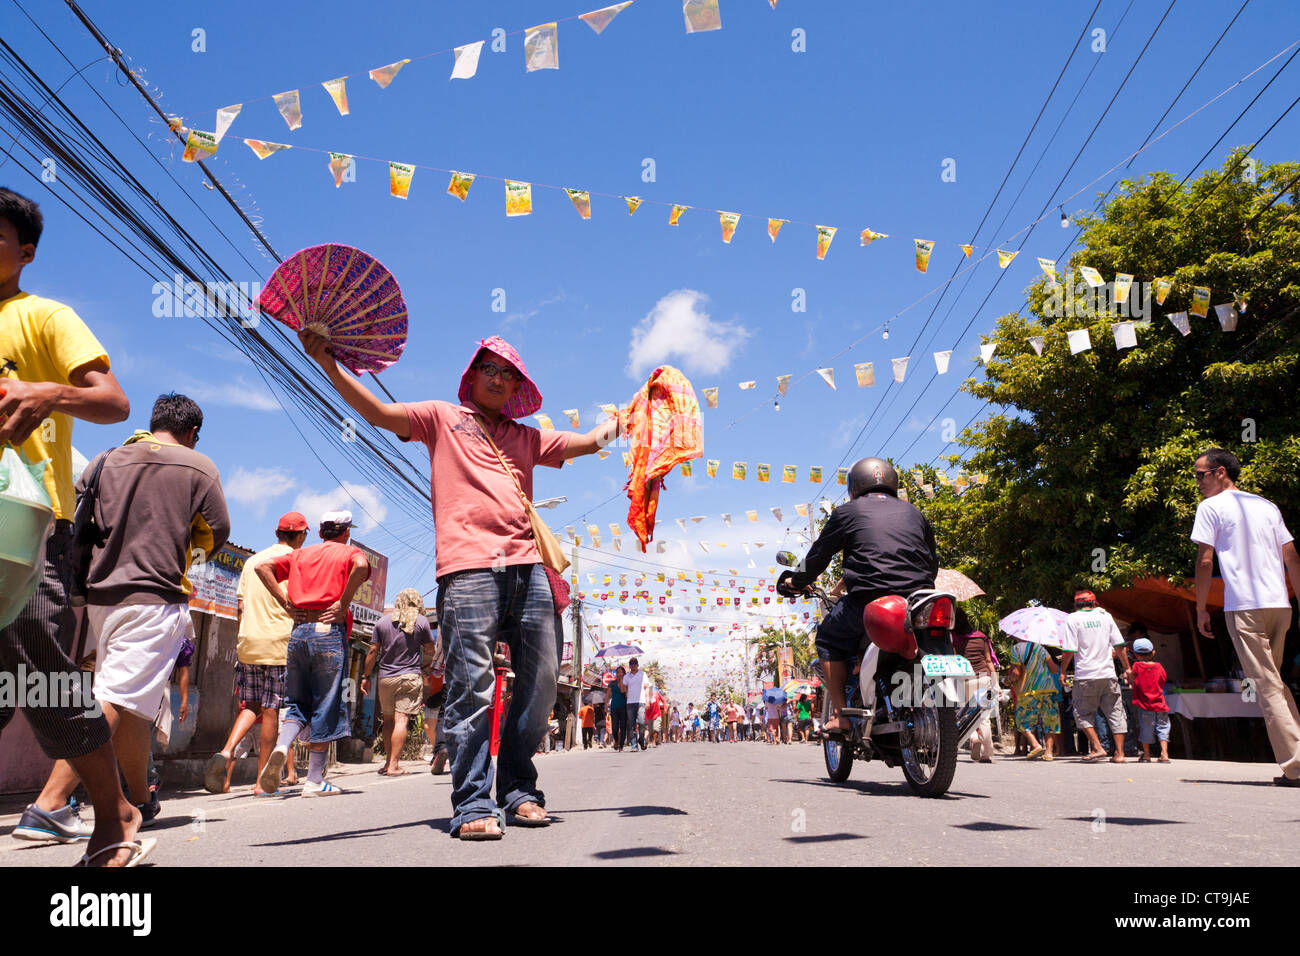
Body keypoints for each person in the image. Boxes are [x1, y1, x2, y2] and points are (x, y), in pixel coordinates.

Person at [301, 331, 619, 838]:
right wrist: (329, 364)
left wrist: (624, 422)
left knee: (540, 685)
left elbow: (585, 443)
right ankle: (472, 803)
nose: (498, 377)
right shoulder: (441, 418)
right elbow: (380, 415)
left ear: (517, 385)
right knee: (472, 689)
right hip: (467, 571)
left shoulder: (527, 436)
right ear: (472, 376)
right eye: (489, 368)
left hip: (529, 568)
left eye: (508, 372)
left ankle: (518, 791)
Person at [0, 190, 148, 866]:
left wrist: (44, 392)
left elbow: (113, 401)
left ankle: (113, 812)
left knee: (44, 675)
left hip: (25, 525)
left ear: (24, 253)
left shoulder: (43, 317)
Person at [30, 393, 229, 835]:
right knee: (116, 697)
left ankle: (139, 799)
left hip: (100, 596)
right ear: (192, 432)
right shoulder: (199, 467)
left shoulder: (105, 459)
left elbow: (75, 508)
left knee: (133, 706)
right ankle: (51, 802)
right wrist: (186, 556)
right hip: (154, 596)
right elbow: (217, 530)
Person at [778, 458, 937, 736]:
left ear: (854, 486)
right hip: (919, 600)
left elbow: (817, 557)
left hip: (869, 599)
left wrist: (796, 579)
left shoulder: (846, 513)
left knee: (828, 638)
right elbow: (932, 563)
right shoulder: (914, 512)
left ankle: (840, 715)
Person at [1191, 448, 1300, 786]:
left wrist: (1200, 607)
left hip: (1245, 607)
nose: (1197, 483)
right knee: (1275, 683)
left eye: (1200, 475)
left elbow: (1205, 561)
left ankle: (1296, 766)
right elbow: (1292, 557)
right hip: (1280, 606)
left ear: (1220, 472)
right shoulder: (1266, 505)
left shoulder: (1211, 507)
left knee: (1266, 686)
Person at [255, 510, 371, 797]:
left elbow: (262, 567)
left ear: (320, 533)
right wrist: (343, 602)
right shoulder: (348, 552)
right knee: (326, 704)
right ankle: (315, 780)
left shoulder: (300, 555)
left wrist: (286, 603)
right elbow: (360, 564)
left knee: (297, 702)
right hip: (328, 632)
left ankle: (282, 746)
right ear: (345, 532)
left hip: (299, 632)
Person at [206, 512, 308, 794]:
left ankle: (227, 751)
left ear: (277, 533)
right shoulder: (296, 562)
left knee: (250, 706)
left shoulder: (252, 562)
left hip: (248, 643)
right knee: (271, 710)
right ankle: (261, 781)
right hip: (278, 643)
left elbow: (239, 608)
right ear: (300, 536)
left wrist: (244, 639)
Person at [363, 588, 437, 775]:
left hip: (385, 678)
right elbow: (430, 650)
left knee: (388, 721)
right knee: (401, 720)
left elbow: (372, 652)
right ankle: (394, 765)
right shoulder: (421, 621)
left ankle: (388, 763)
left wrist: (365, 676)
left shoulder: (381, 622)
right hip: (409, 678)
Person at [1059, 590, 1130, 763]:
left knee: (1082, 713)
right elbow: (1119, 646)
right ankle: (1120, 754)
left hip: (1085, 674)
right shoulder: (1106, 616)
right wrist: (1127, 668)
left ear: (1076, 605)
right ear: (1094, 603)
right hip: (1108, 674)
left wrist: (1062, 671)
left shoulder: (1073, 619)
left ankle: (1098, 747)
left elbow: (1069, 649)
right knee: (1115, 712)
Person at [953, 608, 998, 762]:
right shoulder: (981, 637)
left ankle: (973, 738)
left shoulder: (954, 639)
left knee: (965, 713)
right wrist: (996, 682)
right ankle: (987, 753)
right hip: (985, 678)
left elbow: (954, 660)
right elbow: (988, 660)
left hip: (965, 680)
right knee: (985, 716)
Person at [1008, 640, 1061, 760]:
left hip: (1028, 691)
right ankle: (1048, 753)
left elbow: (1016, 673)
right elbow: (1053, 669)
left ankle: (1035, 744)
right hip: (1047, 689)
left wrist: (1008, 680)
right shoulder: (1041, 648)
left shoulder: (1016, 649)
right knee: (1049, 721)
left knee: (1022, 720)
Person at [1129, 637, 1171, 763]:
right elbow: (1163, 679)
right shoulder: (1159, 666)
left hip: (1145, 705)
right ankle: (1164, 753)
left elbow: (1132, 678)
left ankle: (1146, 755)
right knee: (1163, 728)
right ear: (1153, 652)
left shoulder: (1136, 666)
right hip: (1160, 704)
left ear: (1135, 654)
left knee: (1145, 729)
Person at [622, 658, 648, 752]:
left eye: (634, 663)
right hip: (630, 703)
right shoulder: (626, 677)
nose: (633, 665)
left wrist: (647, 700)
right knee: (631, 725)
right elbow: (624, 689)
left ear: (637, 664)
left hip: (641, 701)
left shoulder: (643, 674)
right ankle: (634, 745)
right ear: (629, 665)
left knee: (641, 723)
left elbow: (647, 687)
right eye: (631, 663)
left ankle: (641, 739)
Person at [609, 666, 628, 751]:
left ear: (624, 673)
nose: (619, 674)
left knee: (623, 727)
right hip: (614, 707)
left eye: (621, 672)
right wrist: (606, 705)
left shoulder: (626, 683)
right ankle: (616, 740)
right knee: (614, 727)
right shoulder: (612, 683)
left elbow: (623, 691)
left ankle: (621, 746)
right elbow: (608, 695)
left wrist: (621, 681)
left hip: (624, 707)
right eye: (617, 672)